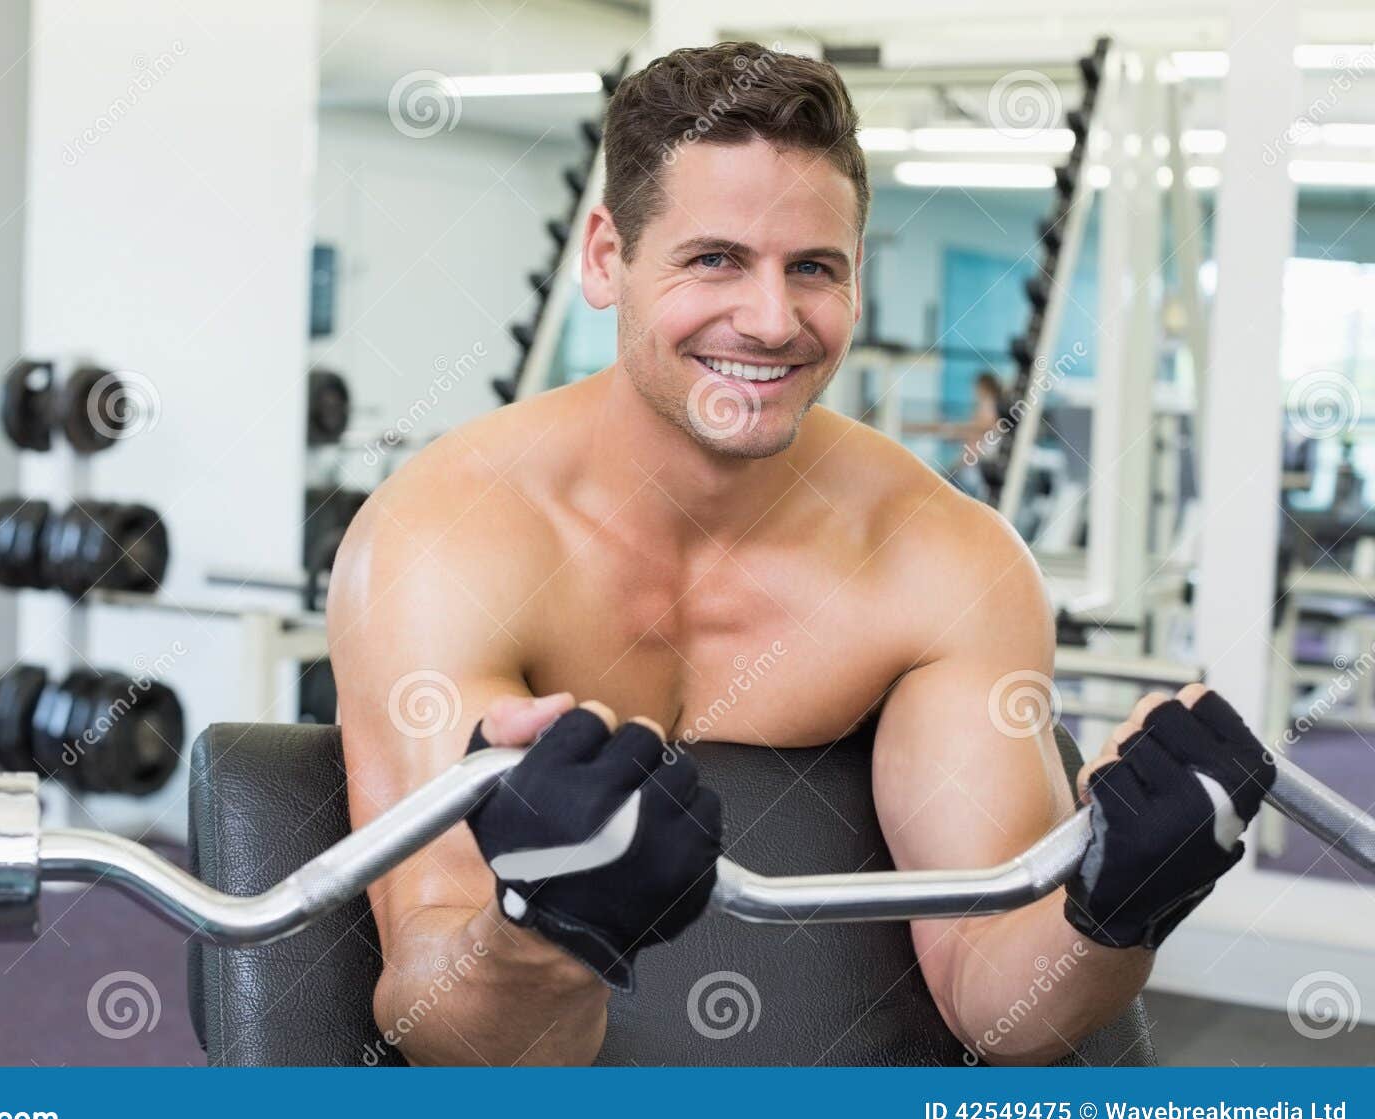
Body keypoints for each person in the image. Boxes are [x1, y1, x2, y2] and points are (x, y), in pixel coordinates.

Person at [327, 42, 1273, 1066]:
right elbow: (440, 1026)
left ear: (855, 281)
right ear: (606, 256)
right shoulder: (444, 541)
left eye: (812, 268)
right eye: (714, 259)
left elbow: (996, 1006)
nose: (771, 321)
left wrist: (1117, 902)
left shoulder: (943, 565)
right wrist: (541, 931)